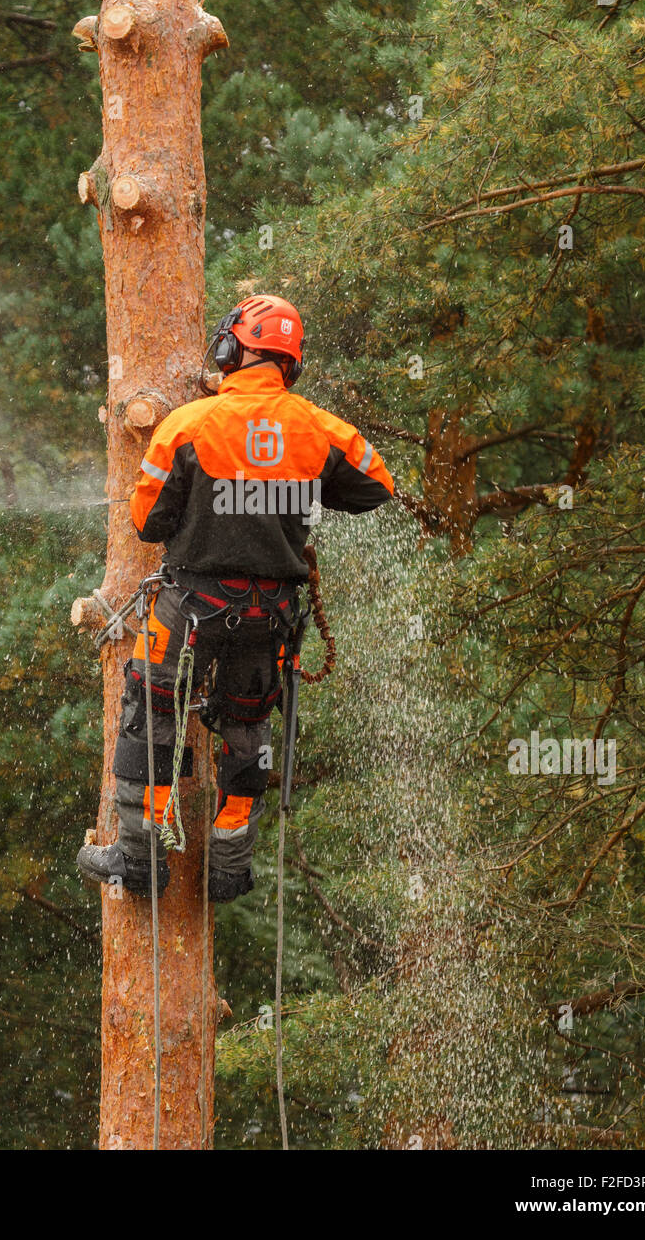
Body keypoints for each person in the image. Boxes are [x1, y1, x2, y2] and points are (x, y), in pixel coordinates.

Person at [76, 294, 393, 902]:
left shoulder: (187, 425)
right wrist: (296, 491)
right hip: (270, 613)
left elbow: (147, 520)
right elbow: (377, 486)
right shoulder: (321, 428)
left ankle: (140, 855)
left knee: (151, 701)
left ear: (231, 349)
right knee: (248, 719)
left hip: (191, 603)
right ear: (289, 362)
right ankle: (229, 861)